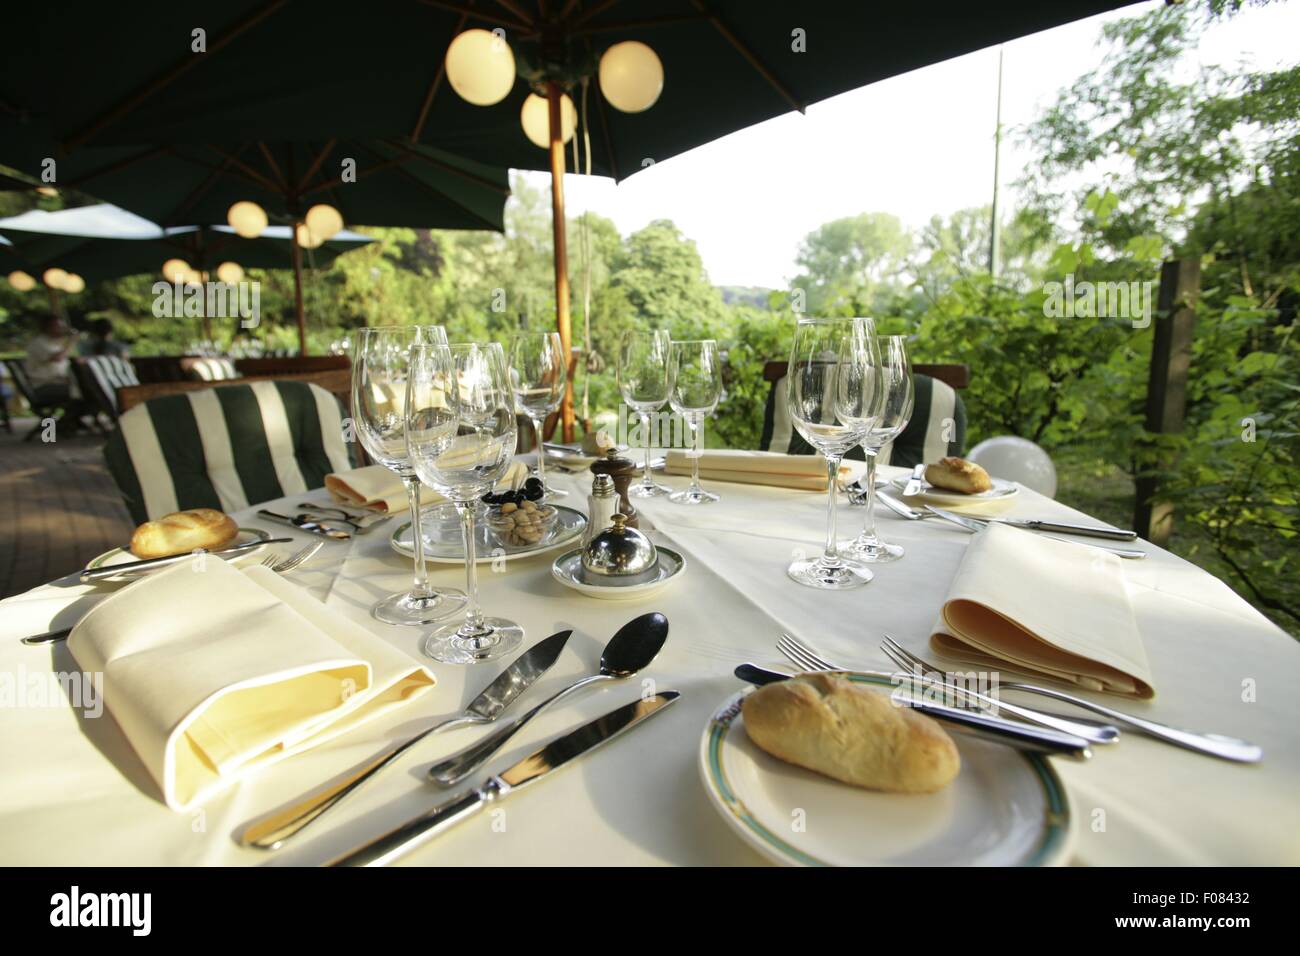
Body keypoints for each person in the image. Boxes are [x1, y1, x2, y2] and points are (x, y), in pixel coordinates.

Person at [24, 314, 77, 405]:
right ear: (49, 327)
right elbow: (58, 358)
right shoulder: (39, 343)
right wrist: (71, 341)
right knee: (83, 390)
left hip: (58, 382)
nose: (63, 330)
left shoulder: (53, 344)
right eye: (60, 327)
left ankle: (75, 415)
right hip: (44, 386)